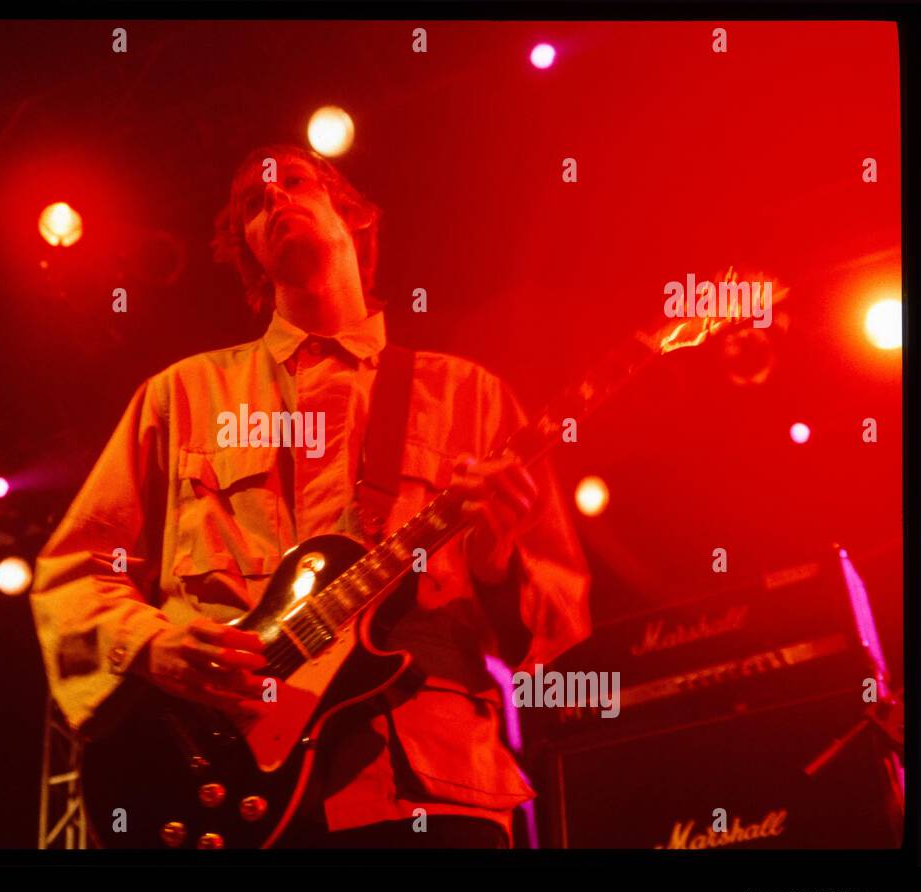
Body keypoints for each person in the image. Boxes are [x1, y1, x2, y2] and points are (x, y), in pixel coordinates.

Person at [29, 143, 591, 848]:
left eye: (294, 184)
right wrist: (155, 646)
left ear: (353, 217)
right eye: (253, 206)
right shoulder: (178, 396)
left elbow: (556, 619)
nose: (275, 203)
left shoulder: (469, 396)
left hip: (425, 784)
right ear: (247, 253)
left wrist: (496, 562)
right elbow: (73, 578)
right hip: (222, 795)